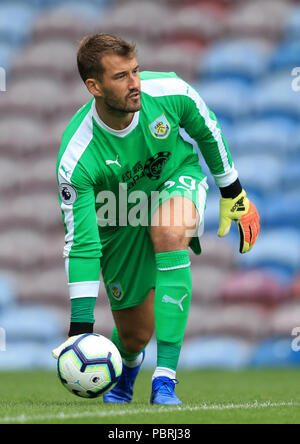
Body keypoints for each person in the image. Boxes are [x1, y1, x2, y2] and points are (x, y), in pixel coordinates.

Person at [53, 33, 260, 405]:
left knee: (168, 230)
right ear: (93, 86)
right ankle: (128, 365)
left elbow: (207, 129)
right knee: (134, 335)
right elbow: (82, 244)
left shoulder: (168, 90)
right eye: (121, 77)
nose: (135, 83)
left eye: (135, 71)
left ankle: (164, 380)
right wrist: (80, 329)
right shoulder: (77, 157)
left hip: (175, 177)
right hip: (118, 214)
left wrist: (233, 191)